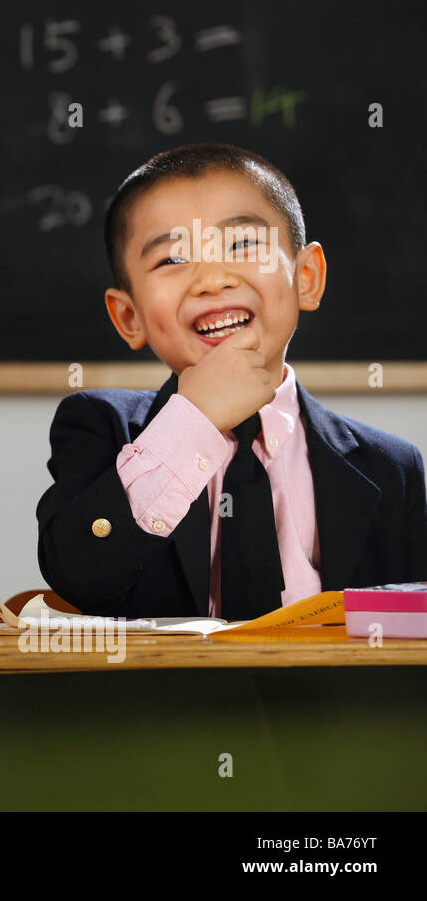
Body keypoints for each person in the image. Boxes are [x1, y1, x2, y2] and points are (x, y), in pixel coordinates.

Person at [37, 144, 427, 620]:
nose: (213, 279)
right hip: (166, 695)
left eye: (243, 246)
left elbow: (408, 640)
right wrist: (194, 420)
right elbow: (80, 575)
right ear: (129, 316)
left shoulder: (391, 467)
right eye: (172, 260)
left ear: (307, 277)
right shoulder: (100, 427)